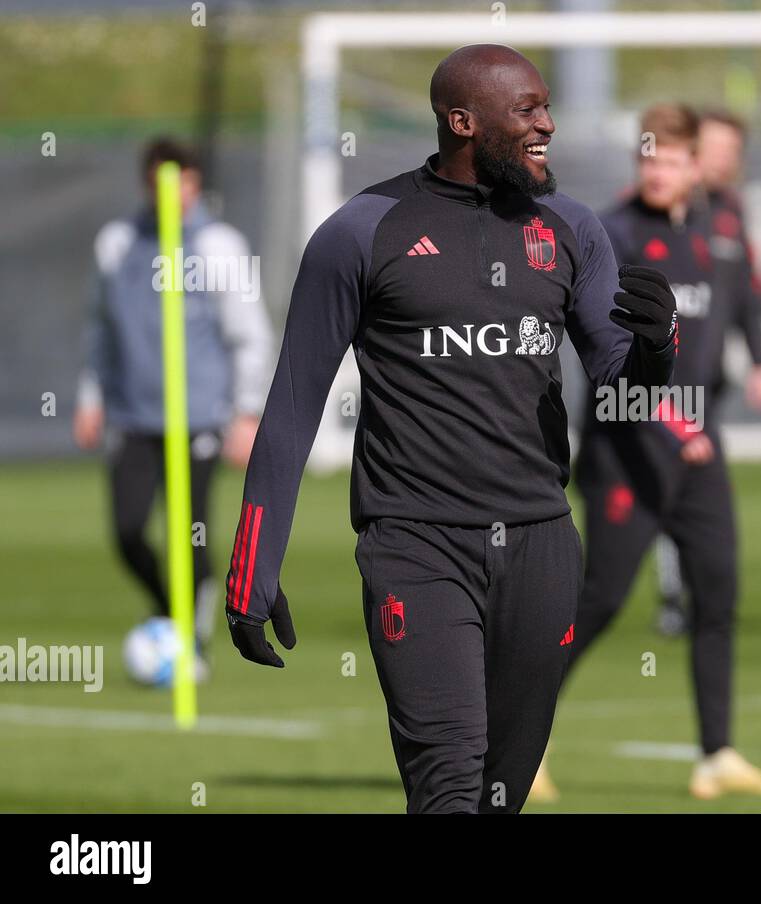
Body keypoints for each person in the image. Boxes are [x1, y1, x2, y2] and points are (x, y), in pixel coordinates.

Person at [220, 44, 677, 814]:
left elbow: (620, 386)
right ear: (462, 122)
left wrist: (660, 350)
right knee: (449, 783)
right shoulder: (362, 232)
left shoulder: (570, 226)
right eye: (527, 111)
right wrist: (252, 568)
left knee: (500, 795)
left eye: (546, 107)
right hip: (415, 547)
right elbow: (294, 407)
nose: (547, 125)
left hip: (541, 547)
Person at [536, 104, 761, 802]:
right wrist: (679, 424)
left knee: (719, 593)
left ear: (693, 166)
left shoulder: (718, 228)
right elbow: (607, 356)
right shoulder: (611, 235)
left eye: (672, 160)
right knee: (603, 598)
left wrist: (760, 360)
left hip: (699, 450)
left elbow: (743, 301)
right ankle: (519, 738)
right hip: (628, 443)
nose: (659, 171)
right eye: (648, 159)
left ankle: (717, 754)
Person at [74, 137, 272, 664]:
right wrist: (91, 396)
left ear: (195, 183)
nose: (175, 193)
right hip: (134, 417)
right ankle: (169, 615)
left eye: (184, 181)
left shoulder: (219, 245)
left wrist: (245, 412)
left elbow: (248, 333)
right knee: (127, 530)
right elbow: (100, 328)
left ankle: (194, 642)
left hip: (201, 417)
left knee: (192, 535)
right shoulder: (117, 242)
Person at [649, 109, 761, 638]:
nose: (723, 158)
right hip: (653, 381)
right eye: (714, 146)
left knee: (693, 486)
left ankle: (692, 593)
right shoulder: (654, 217)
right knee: (661, 481)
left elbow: (746, 294)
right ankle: (672, 592)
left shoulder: (730, 214)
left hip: (706, 379)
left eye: (731, 149)